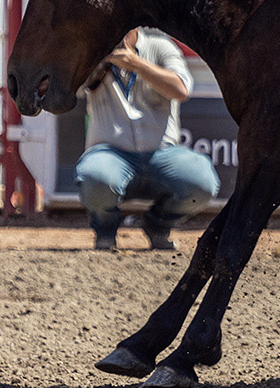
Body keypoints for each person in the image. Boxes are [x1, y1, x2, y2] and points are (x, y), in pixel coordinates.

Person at [75, 28, 219, 252]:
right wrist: (98, 58)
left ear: (135, 25)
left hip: (163, 154)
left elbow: (181, 89)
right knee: (95, 176)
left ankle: (157, 225)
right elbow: (67, 89)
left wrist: (137, 64)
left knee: (202, 182)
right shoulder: (90, 47)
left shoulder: (160, 46)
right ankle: (105, 231)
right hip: (110, 153)